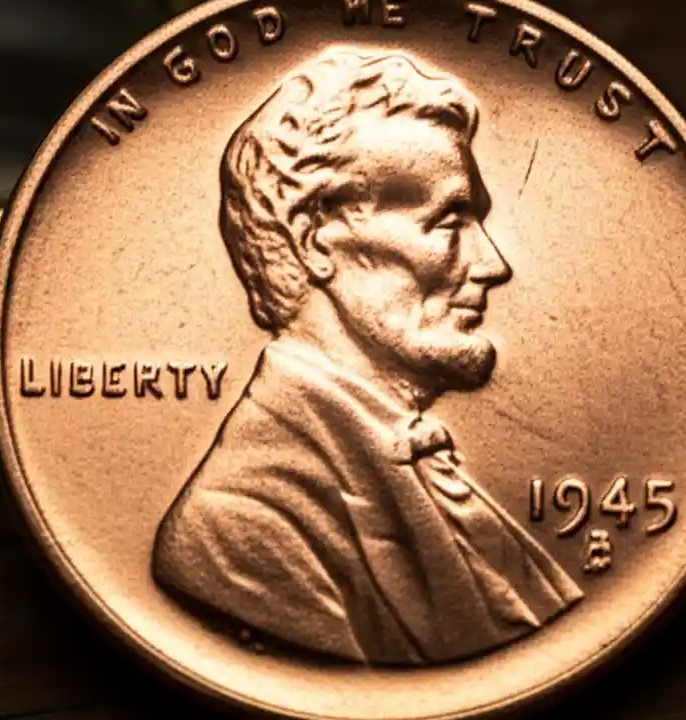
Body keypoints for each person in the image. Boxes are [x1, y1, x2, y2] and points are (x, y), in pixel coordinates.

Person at [151, 48, 583, 665]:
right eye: (448, 221)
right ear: (314, 238)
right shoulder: (240, 526)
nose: (493, 266)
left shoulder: (412, 464)